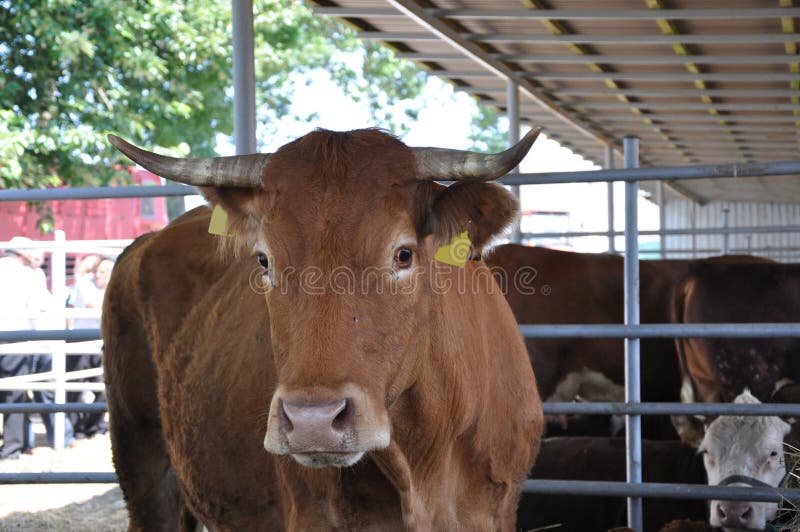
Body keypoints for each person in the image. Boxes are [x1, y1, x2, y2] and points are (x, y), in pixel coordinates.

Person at [0, 237, 72, 458]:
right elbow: (40, 306)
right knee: (15, 393)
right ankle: (12, 448)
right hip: (16, 336)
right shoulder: (27, 275)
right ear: (24, 254)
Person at [66, 256, 112, 438]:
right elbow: (95, 308)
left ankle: (94, 425)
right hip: (82, 339)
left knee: (102, 386)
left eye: (102, 272)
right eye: (96, 271)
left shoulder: (110, 288)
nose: (98, 275)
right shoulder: (85, 284)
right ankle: (75, 427)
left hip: (102, 341)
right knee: (75, 385)